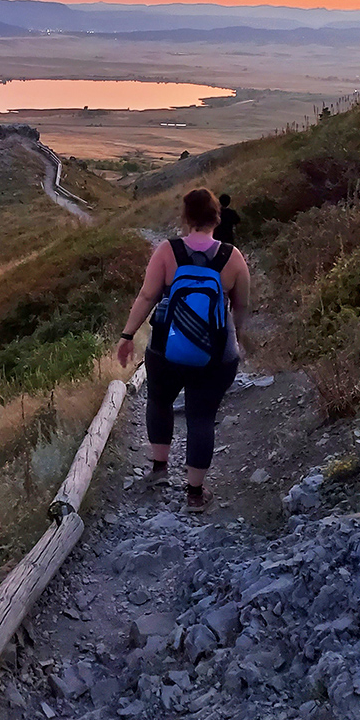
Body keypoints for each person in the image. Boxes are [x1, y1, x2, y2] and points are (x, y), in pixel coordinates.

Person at [117, 188, 250, 513]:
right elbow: (241, 306)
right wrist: (237, 338)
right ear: (217, 218)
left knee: (160, 401)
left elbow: (147, 297)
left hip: (166, 348)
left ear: (185, 218)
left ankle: (159, 471)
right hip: (216, 355)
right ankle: (194, 493)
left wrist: (127, 335)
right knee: (201, 417)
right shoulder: (233, 257)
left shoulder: (167, 251)